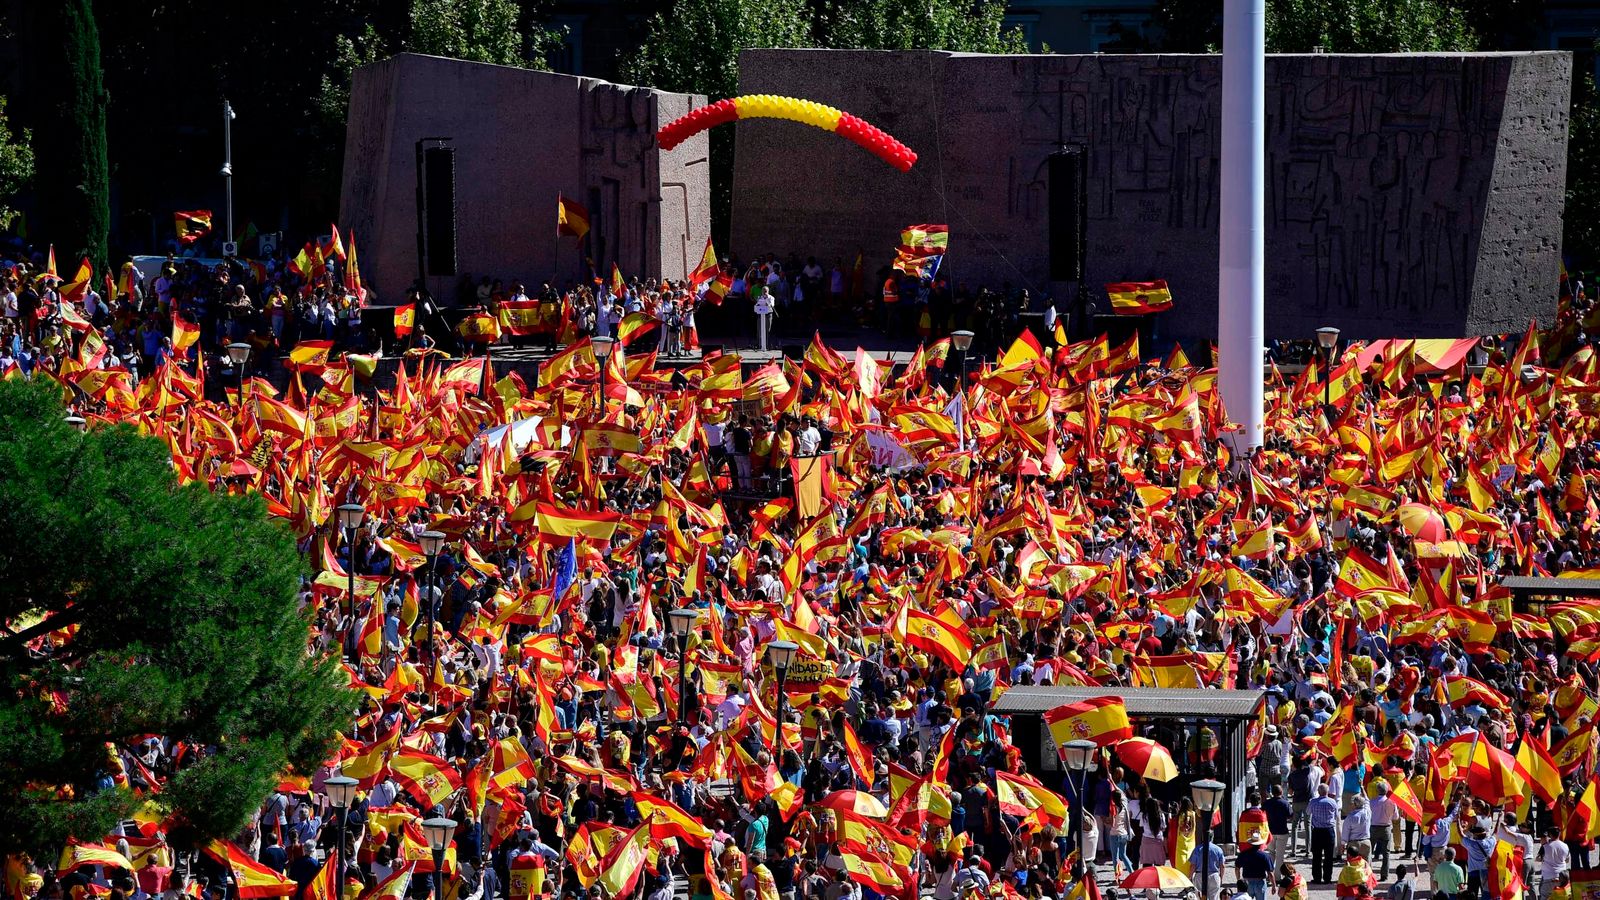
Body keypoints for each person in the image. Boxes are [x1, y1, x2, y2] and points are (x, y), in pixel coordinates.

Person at [1311, 784, 1341, 884]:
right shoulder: (1332, 802)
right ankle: (1327, 878)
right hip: (1329, 831)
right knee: (1329, 856)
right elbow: (1336, 815)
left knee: (1316, 856)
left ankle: (1317, 878)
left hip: (1317, 831)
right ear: (1327, 792)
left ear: (1318, 791)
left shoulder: (1313, 802)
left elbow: (1307, 812)